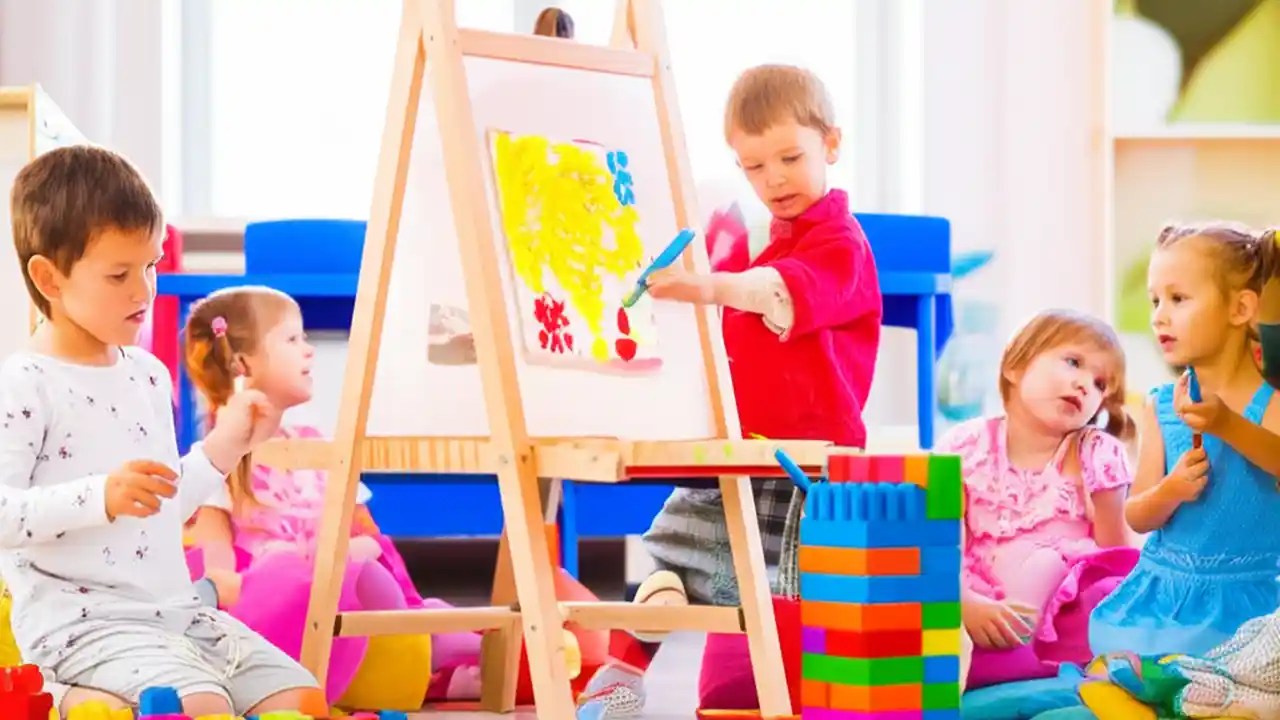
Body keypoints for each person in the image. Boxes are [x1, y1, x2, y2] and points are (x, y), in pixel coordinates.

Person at [578, 63, 882, 716]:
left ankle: (793, 698)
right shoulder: (769, 242)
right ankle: (621, 678)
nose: (774, 179)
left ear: (831, 144)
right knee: (669, 551)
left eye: (790, 158)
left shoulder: (841, 244)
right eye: (754, 167)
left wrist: (709, 286)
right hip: (739, 448)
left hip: (802, 458)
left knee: (781, 586)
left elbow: (777, 292)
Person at [0, 145, 325, 717]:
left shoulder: (147, 375)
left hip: (177, 616)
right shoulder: (26, 384)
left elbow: (164, 504)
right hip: (80, 629)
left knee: (301, 701)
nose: (144, 291)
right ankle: (59, 694)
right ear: (49, 278)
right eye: (119, 274)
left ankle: (107, 699)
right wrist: (99, 496)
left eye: (149, 266)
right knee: (198, 707)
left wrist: (229, 443)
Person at [1090, 221, 1280, 658]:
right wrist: (1171, 490)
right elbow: (1137, 516)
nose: (1159, 316)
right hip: (1165, 596)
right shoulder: (1161, 405)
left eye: (1178, 299)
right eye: (1155, 300)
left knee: (1224, 656)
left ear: (1241, 308)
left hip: (1246, 606)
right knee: (1119, 644)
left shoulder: (1270, 405)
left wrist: (1227, 425)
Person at [934, 310, 1139, 689]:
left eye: (1099, 384)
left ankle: (1065, 668)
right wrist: (965, 603)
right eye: (1073, 362)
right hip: (974, 624)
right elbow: (941, 543)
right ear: (1015, 366)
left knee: (1065, 571)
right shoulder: (964, 447)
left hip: (1063, 632)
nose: (1084, 385)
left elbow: (1118, 562)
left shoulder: (1095, 452)